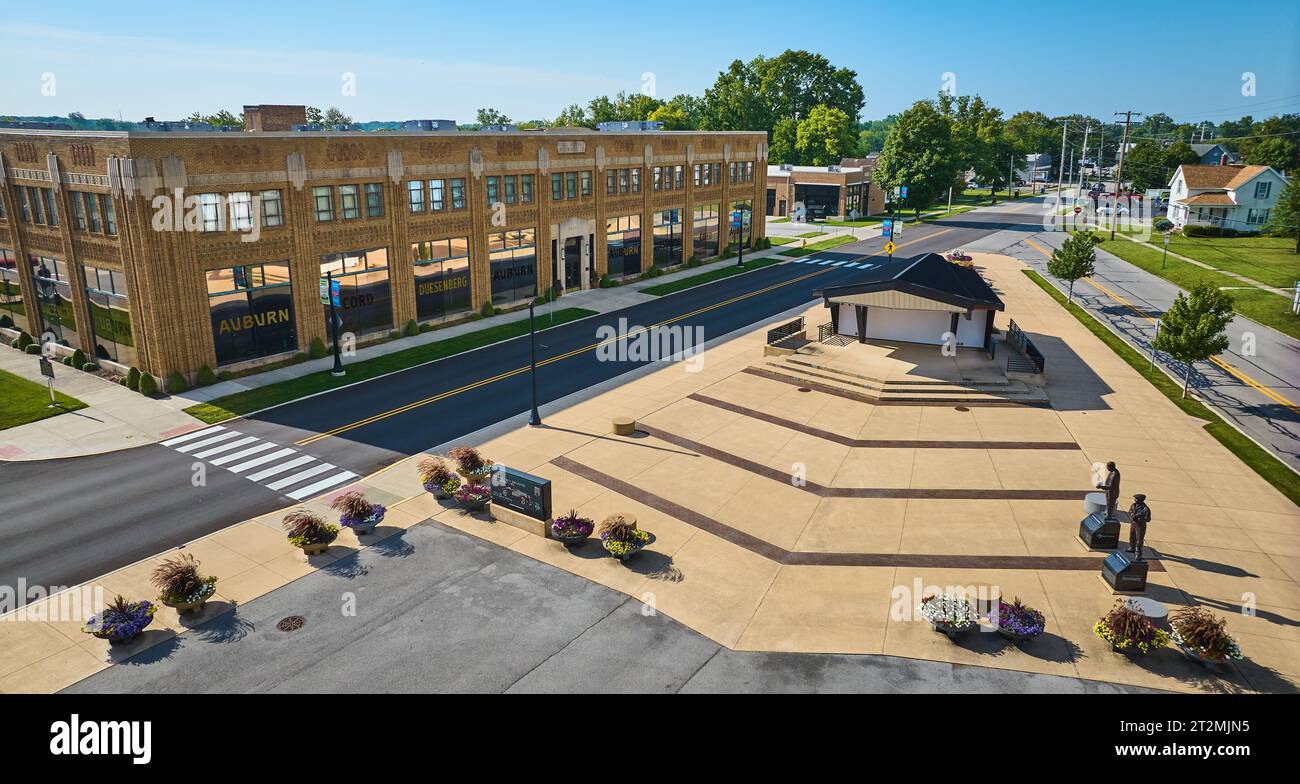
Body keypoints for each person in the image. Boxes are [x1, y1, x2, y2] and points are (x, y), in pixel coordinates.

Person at [1127, 493, 1151, 561]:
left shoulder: (1145, 509)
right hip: (1134, 523)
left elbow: (1148, 519)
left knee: (1139, 540)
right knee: (1132, 536)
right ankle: (1132, 547)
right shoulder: (1133, 505)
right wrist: (1132, 516)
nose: (1135, 500)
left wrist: (1139, 518)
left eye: (1136, 499)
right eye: (1135, 498)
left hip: (1140, 526)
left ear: (1141, 500)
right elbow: (1130, 512)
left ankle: (1138, 554)